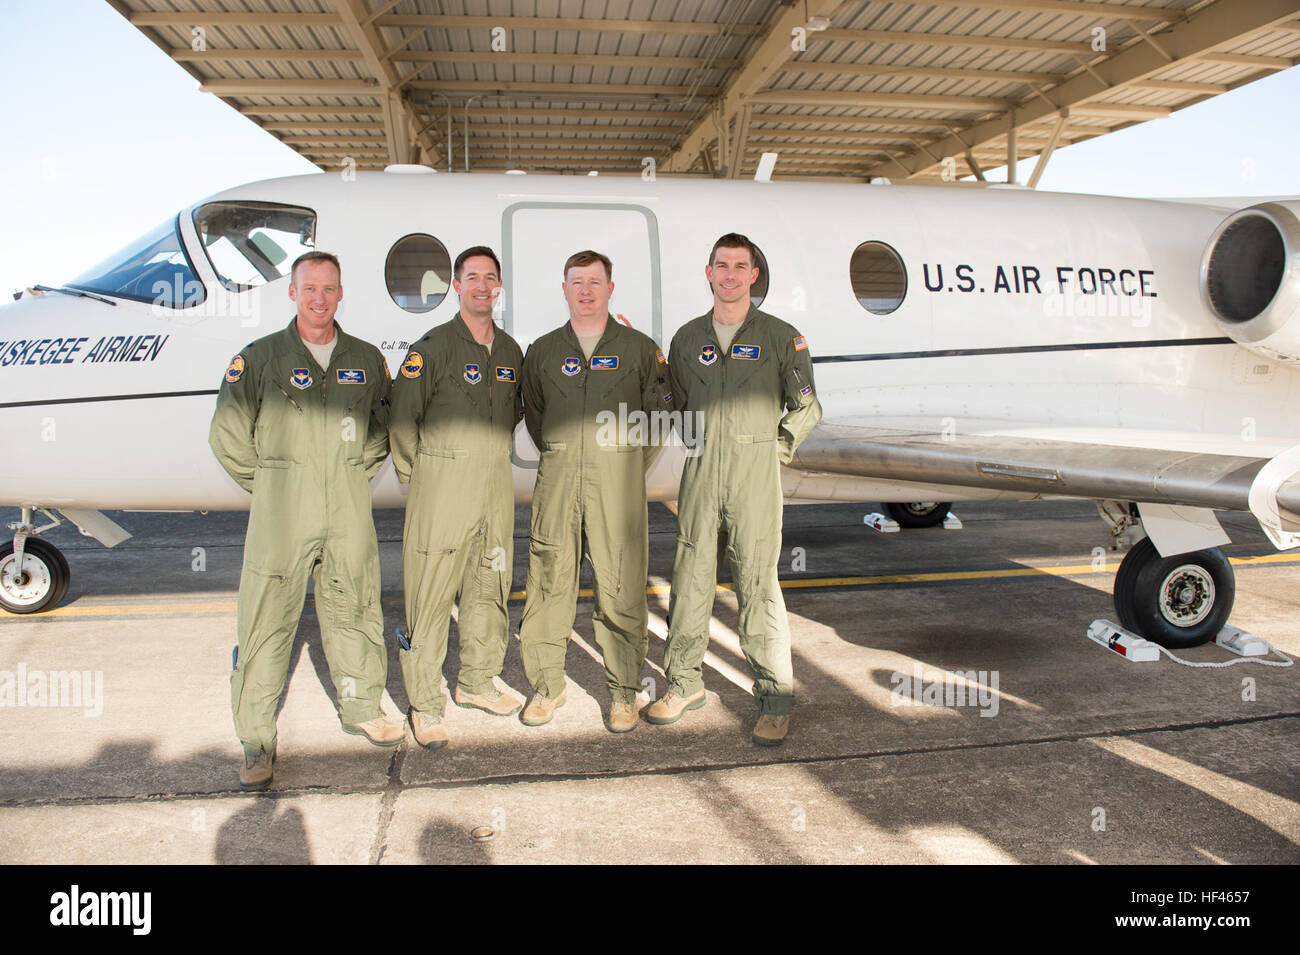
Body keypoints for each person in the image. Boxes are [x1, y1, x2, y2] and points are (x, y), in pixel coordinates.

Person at [209, 251, 400, 791]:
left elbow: (382, 428)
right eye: (309, 288)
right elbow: (226, 435)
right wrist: (274, 481)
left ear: (341, 294)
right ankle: (256, 739)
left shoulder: (364, 359)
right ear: (292, 293)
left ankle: (362, 707)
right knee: (267, 618)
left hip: (346, 505)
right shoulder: (261, 358)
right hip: (282, 512)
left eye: (329, 289)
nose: (320, 298)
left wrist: (347, 472)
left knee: (357, 604)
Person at [646, 233, 822, 746]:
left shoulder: (781, 337)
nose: (729, 274)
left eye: (739, 266)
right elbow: (673, 400)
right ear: (708, 273)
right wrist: (701, 440)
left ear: (753, 276)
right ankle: (682, 685)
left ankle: (774, 699)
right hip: (701, 475)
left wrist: (773, 448)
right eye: (720, 265)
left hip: (754, 477)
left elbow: (807, 406)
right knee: (691, 579)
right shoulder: (686, 339)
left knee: (758, 586)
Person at [517, 250, 673, 733]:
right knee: (548, 584)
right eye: (576, 282)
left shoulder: (640, 349)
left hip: (617, 488)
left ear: (610, 288)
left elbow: (658, 418)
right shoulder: (543, 351)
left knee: (622, 587)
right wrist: (569, 454)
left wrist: (621, 465)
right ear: (564, 289)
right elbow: (537, 417)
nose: (585, 290)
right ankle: (547, 687)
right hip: (558, 482)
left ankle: (624, 693)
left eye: (594, 281)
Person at [389, 246, 525, 749]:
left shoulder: (510, 352)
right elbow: (403, 420)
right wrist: (423, 477)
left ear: (498, 286)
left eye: (491, 278)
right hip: (442, 485)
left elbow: (513, 414)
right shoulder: (433, 347)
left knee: (489, 583)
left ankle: (477, 682)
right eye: (472, 278)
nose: (482, 287)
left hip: (493, 482)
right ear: (456, 285)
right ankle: (424, 703)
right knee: (429, 595)